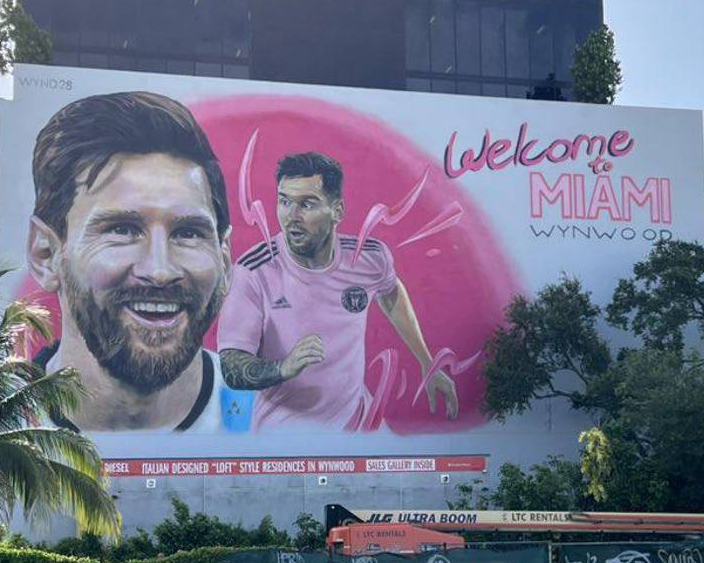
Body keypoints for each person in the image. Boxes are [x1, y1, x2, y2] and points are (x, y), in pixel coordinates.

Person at [27, 91, 232, 432]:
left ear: (225, 262)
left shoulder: (285, 425)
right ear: (46, 255)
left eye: (188, 233)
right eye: (122, 229)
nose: (160, 271)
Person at [218, 151, 457, 430]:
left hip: (360, 423)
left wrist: (426, 362)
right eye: (284, 202)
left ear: (337, 211)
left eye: (307, 204)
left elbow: (391, 293)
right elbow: (231, 365)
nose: (291, 217)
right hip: (286, 433)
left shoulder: (368, 257)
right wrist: (282, 368)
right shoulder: (253, 271)